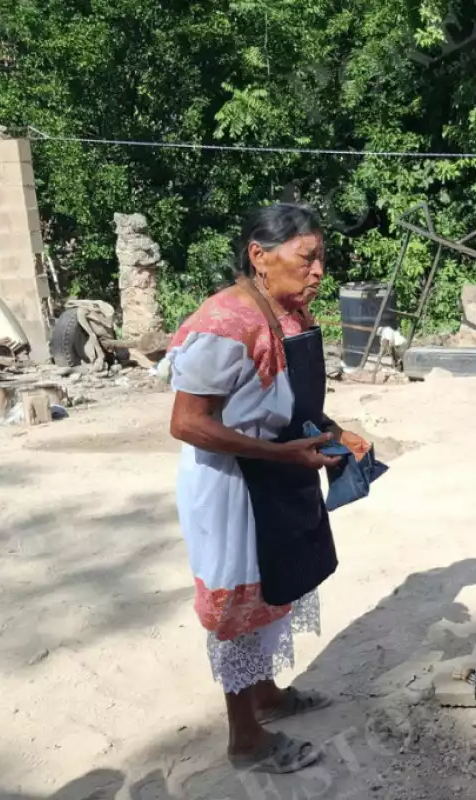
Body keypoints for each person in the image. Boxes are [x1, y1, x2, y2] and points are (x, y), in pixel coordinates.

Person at [168, 203, 369, 773]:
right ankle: (245, 740)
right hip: (231, 483)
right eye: (307, 258)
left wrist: (333, 432)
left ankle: (268, 695)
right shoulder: (225, 322)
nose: (318, 271)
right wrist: (279, 453)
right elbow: (187, 423)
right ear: (259, 254)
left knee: (275, 588)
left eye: (321, 258)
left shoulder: (290, 315)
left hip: (278, 470)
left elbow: (291, 401)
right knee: (241, 602)